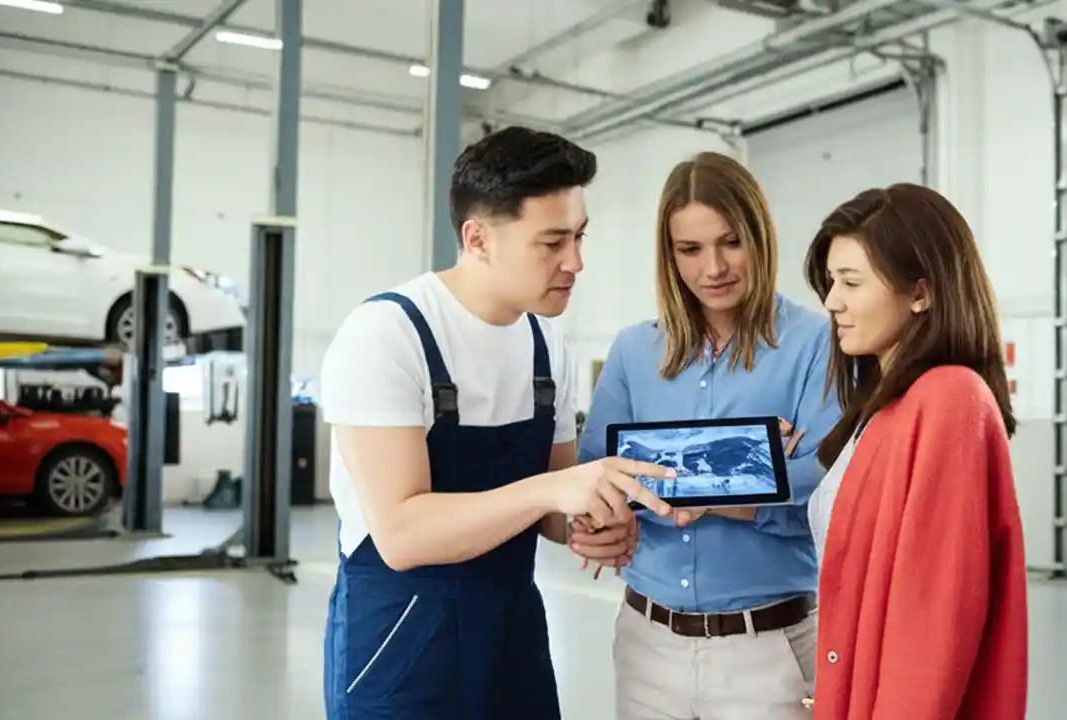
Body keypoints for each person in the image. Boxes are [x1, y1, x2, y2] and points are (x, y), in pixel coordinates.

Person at [318, 126, 675, 720]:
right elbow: (402, 534)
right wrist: (552, 491)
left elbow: (555, 510)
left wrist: (592, 526)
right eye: (552, 242)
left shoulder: (546, 346)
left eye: (580, 237)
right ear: (477, 238)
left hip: (513, 640)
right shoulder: (388, 334)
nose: (576, 262)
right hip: (401, 647)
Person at [576, 151, 841, 719]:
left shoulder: (817, 344)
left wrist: (670, 472)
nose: (712, 268)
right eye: (689, 249)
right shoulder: (633, 351)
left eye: (730, 242)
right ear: (668, 255)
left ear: (759, 238)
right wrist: (745, 461)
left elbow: (825, 494)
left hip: (769, 652)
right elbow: (598, 477)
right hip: (647, 645)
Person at [802, 184, 1028, 719]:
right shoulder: (885, 407)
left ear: (921, 293)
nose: (833, 301)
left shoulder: (948, 399)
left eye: (852, 282)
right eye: (832, 281)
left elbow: (933, 623)